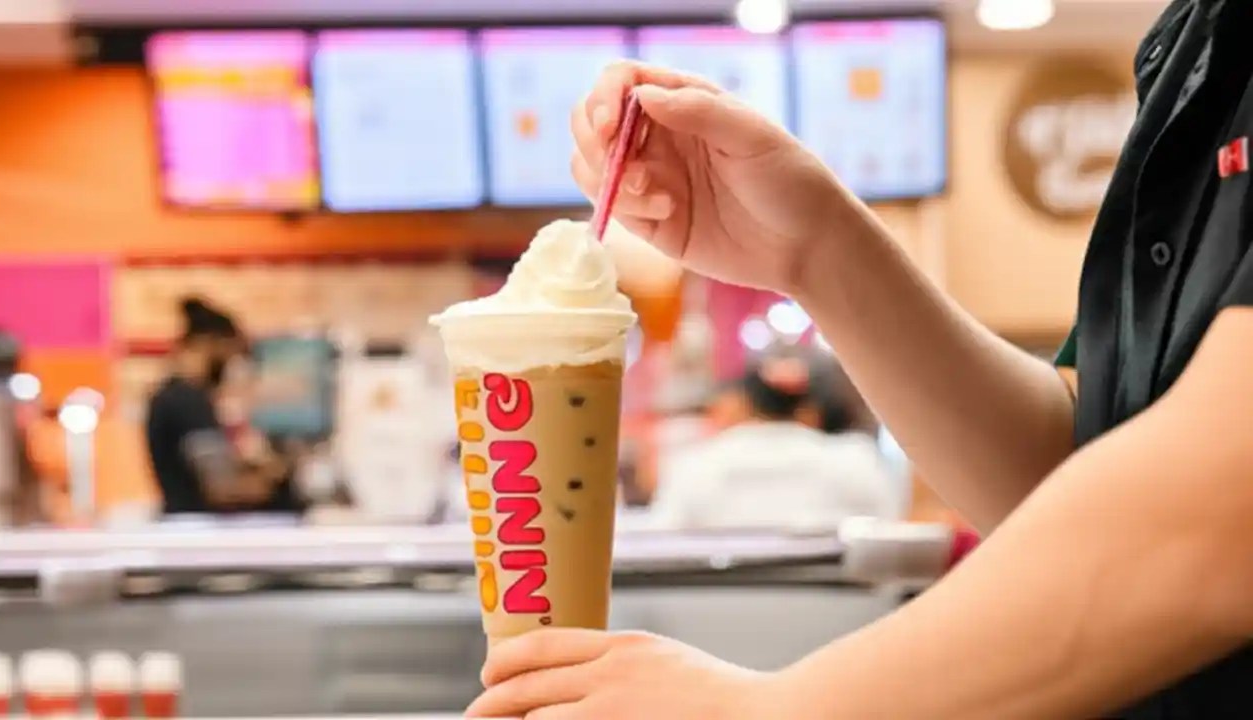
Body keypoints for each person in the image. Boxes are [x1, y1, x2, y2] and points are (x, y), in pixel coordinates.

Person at [466, 3, 1253, 717]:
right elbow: (1077, 464)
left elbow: (1221, 513)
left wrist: (767, 712)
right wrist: (815, 250)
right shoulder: (1195, 40)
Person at [651, 346, 894, 531]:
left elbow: (664, 538)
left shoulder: (698, 464)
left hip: (717, 593)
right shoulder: (855, 459)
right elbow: (885, 528)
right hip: (841, 595)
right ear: (809, 411)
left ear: (744, 404)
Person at [146, 298, 295, 516]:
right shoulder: (186, 402)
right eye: (230, 353)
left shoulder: (172, 397)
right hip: (199, 531)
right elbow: (223, 490)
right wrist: (276, 475)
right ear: (209, 344)